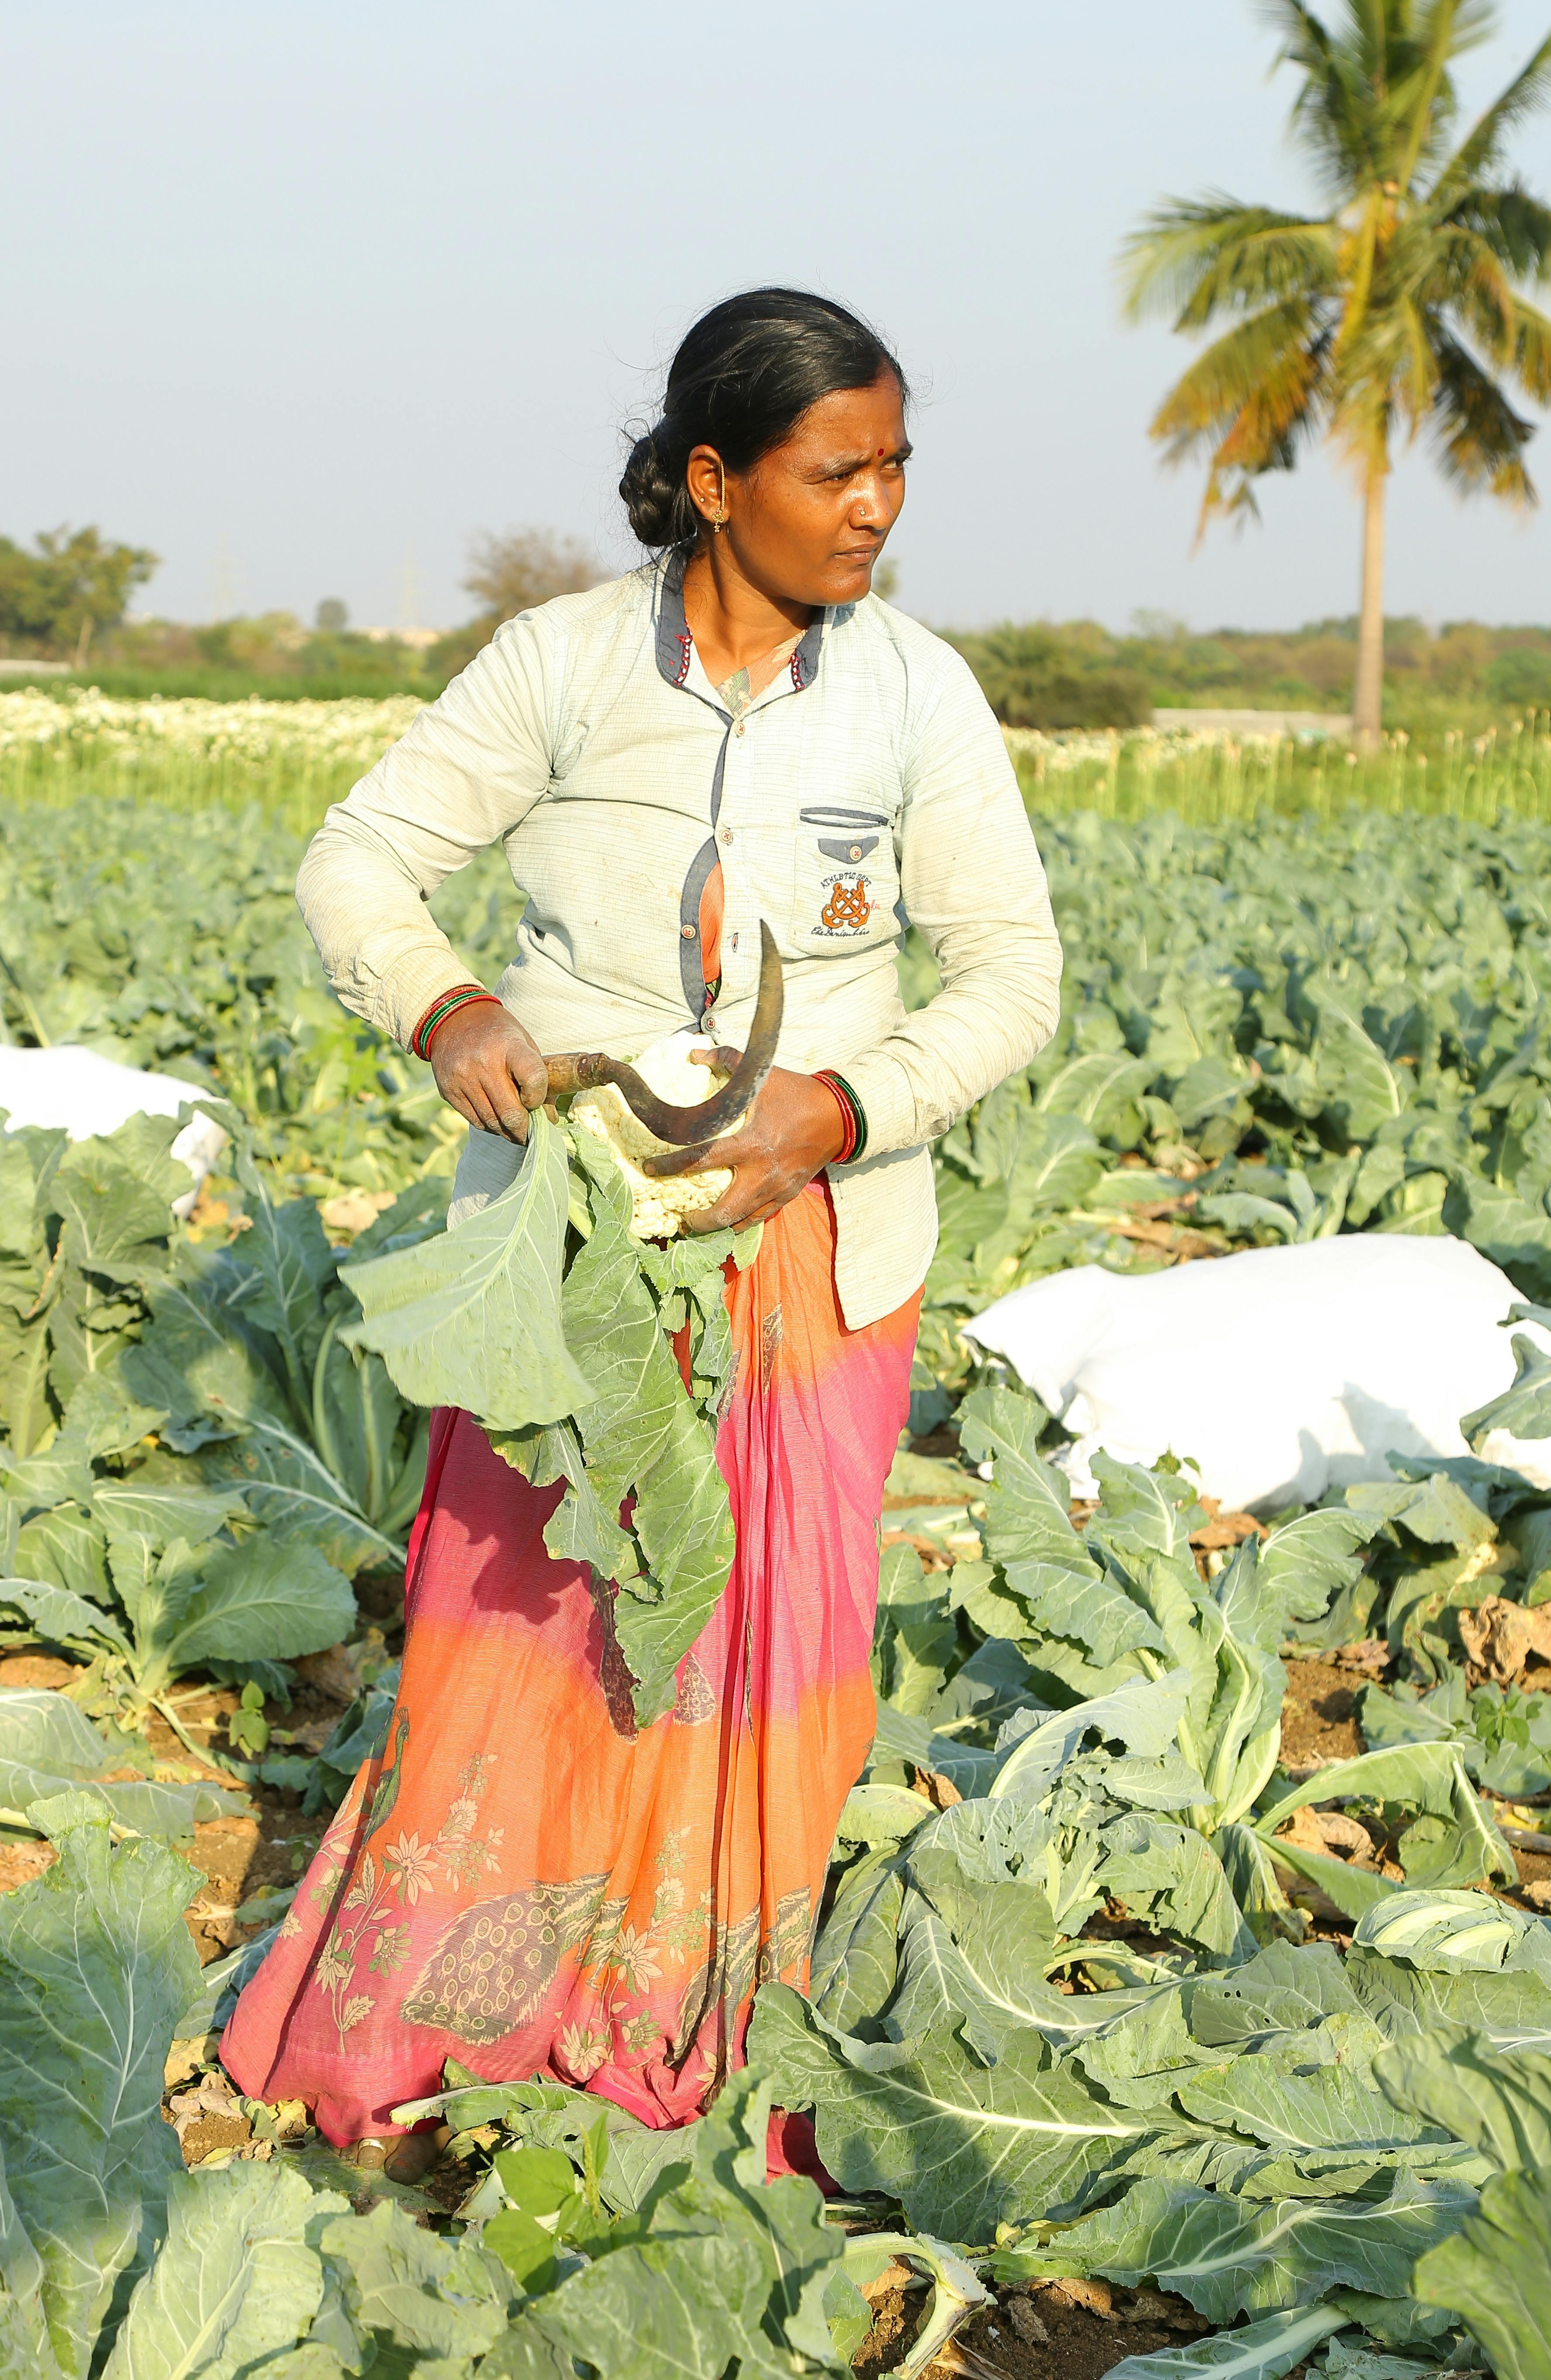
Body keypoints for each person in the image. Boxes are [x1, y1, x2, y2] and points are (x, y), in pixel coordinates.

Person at [221, 287, 1062, 2178]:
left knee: (762, 1653)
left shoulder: (918, 692)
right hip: (572, 1270)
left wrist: (835, 1112)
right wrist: (447, 1010)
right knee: (530, 1635)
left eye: (898, 468)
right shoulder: (563, 665)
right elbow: (359, 855)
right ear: (711, 478)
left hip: (818, 1257)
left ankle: (693, 2018)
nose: (878, 508)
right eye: (837, 469)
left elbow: (1012, 972)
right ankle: (471, 2011)